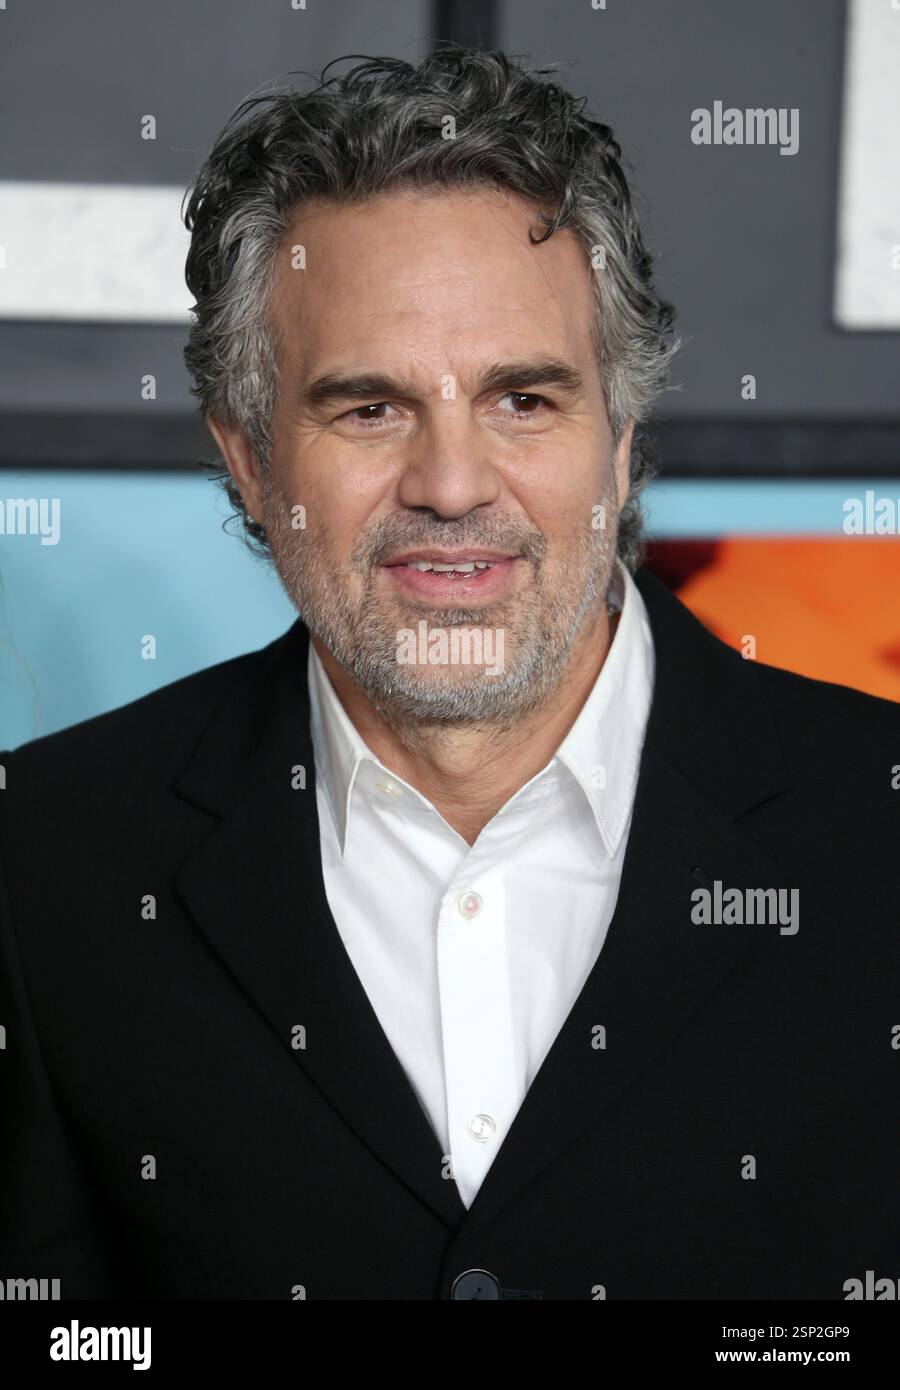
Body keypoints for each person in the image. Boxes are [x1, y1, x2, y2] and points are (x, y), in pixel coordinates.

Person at [1, 48, 898, 1301]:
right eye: (367, 409)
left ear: (624, 443)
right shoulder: (45, 856)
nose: (454, 484)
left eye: (524, 399)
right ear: (251, 460)